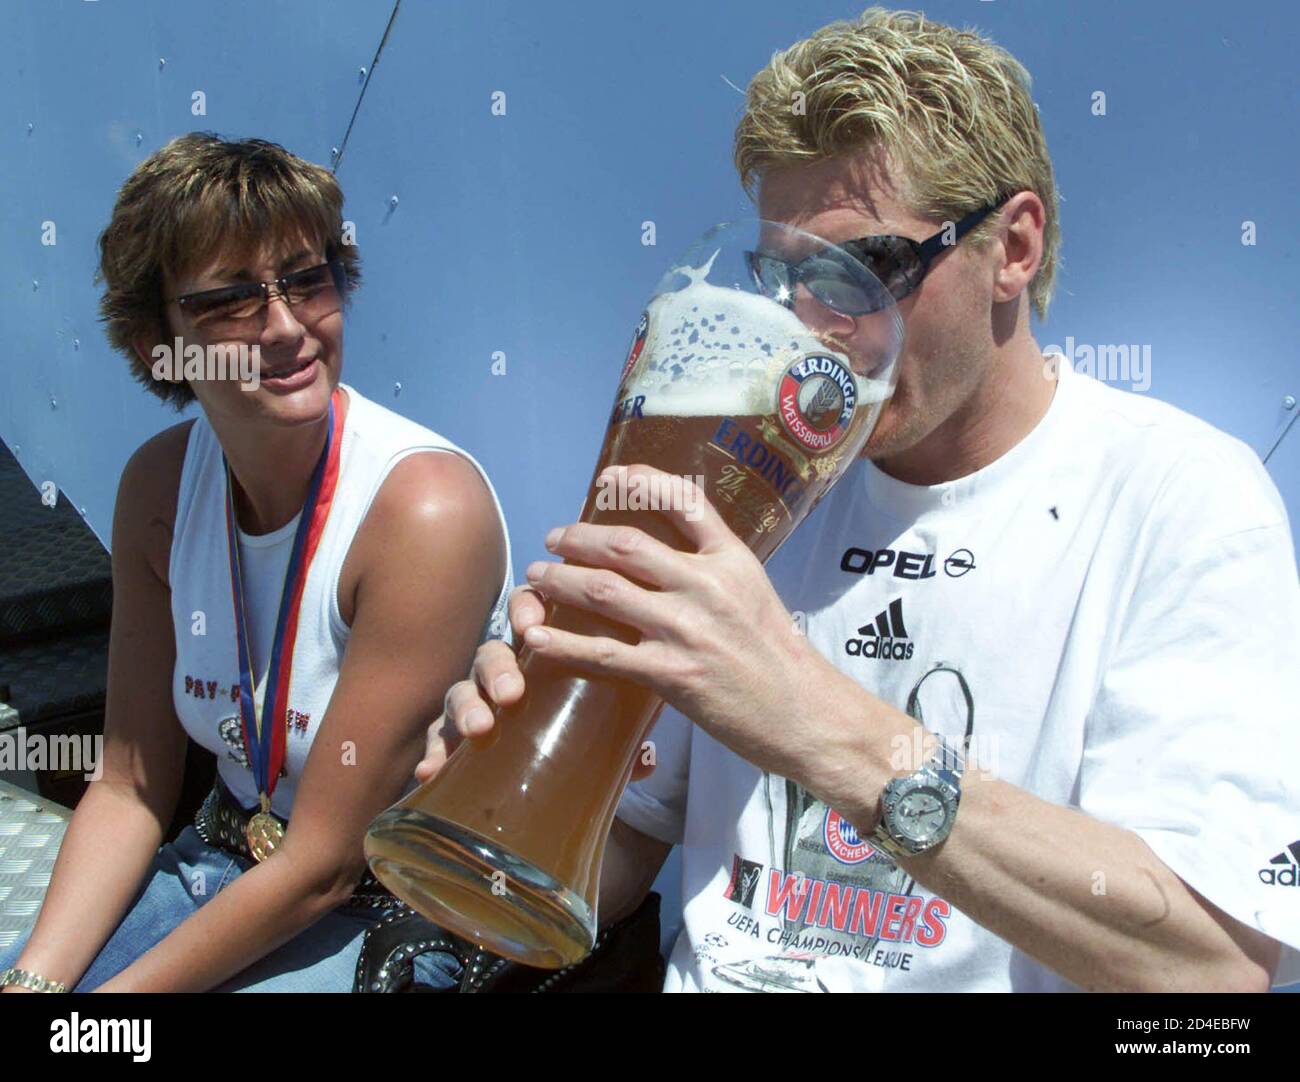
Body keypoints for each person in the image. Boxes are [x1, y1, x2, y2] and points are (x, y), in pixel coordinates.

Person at [418, 8, 1300, 992]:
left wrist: (809, 718)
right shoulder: (750, 478)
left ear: (1012, 245)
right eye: (783, 278)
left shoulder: (1177, 499)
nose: (814, 326)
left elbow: (1209, 965)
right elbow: (630, 845)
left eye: (867, 268)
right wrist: (511, 800)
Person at [0, 133, 512, 993]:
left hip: (386, 903)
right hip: (224, 860)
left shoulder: (425, 511)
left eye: (307, 279)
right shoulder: (159, 488)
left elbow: (322, 867)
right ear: (157, 336)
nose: (285, 325)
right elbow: (129, 784)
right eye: (233, 299)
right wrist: (34, 988)